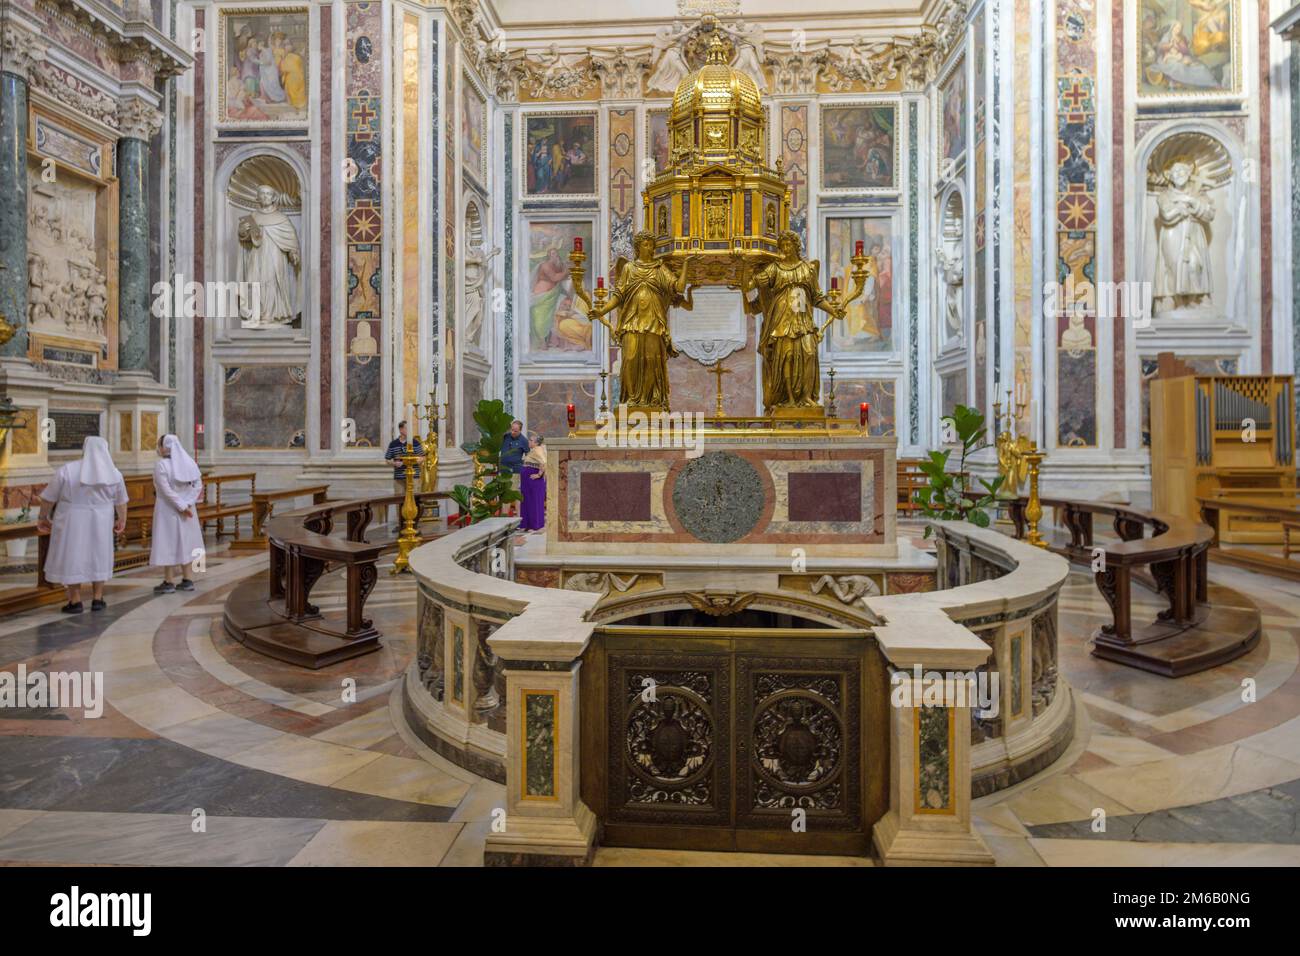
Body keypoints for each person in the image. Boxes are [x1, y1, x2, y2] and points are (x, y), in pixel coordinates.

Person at [36, 436, 128, 613]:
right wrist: (121, 519)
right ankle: (98, 598)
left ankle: (75, 600)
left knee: (73, 555)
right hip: (102, 520)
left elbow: (49, 498)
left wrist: (42, 516)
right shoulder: (114, 473)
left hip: (72, 520)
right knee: (99, 554)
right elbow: (121, 501)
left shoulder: (67, 470)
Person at [150, 434, 205, 594]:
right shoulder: (190, 463)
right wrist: (187, 503)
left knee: (168, 542)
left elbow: (165, 490)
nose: (158, 449)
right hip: (187, 511)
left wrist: (182, 506)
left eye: (159, 445)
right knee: (186, 542)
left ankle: (169, 581)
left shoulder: (161, 465)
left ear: (164, 447)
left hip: (168, 509)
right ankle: (188, 579)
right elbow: (198, 486)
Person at [385, 421, 424, 525]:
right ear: (401, 430)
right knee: (400, 500)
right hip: (399, 476)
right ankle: (401, 524)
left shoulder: (415, 443)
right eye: (407, 428)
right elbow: (387, 459)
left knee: (414, 499)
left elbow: (422, 457)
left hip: (413, 476)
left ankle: (414, 524)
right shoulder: (393, 444)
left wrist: (413, 461)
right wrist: (394, 463)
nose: (409, 431)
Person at [519, 435, 547, 532]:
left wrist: (539, 475)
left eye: (531, 440)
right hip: (528, 480)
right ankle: (528, 524)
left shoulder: (537, 450)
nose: (529, 442)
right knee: (528, 501)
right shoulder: (535, 449)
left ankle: (534, 525)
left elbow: (544, 462)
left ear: (536, 443)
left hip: (533, 480)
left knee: (533, 502)